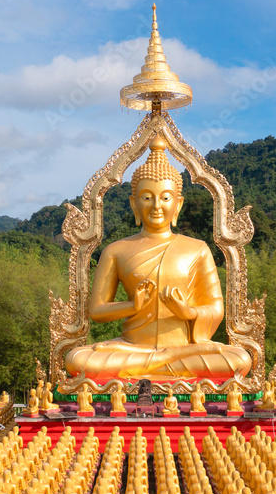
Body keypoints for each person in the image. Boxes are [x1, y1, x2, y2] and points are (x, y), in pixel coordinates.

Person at [65, 136, 251, 380]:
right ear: (134, 204)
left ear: (178, 204)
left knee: (239, 359)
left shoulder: (197, 249)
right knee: (78, 360)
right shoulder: (116, 250)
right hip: (133, 347)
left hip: (185, 348)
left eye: (165, 197)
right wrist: (133, 306)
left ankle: (150, 368)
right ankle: (161, 366)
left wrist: (189, 312)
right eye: (147, 197)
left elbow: (216, 308)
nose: (156, 206)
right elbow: (98, 310)